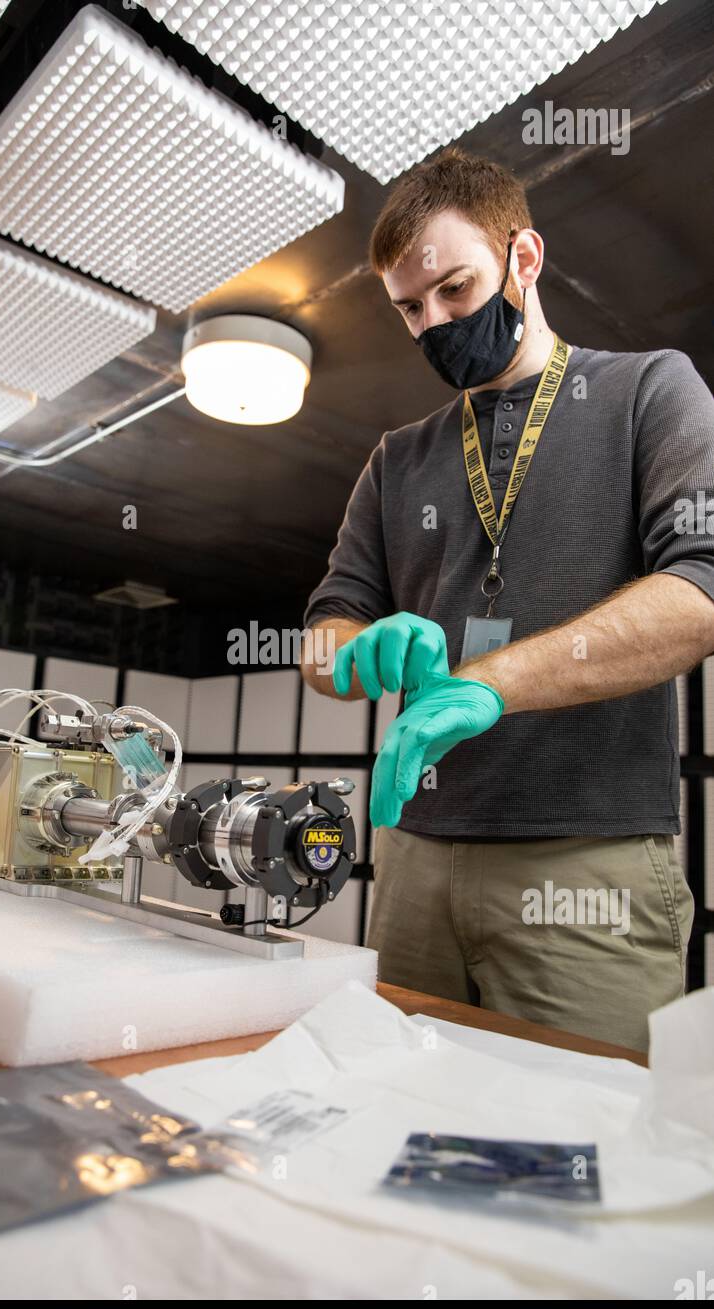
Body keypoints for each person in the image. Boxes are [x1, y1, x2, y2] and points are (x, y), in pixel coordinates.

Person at [301, 146, 714, 1052]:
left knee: (585, 1154)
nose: (435, 324)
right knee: (399, 1128)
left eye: (455, 289)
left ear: (524, 259)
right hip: (413, 860)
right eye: (410, 309)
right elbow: (326, 628)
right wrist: (349, 652)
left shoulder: (652, 391)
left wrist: (491, 684)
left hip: (586, 863)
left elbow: (699, 593)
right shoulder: (395, 457)